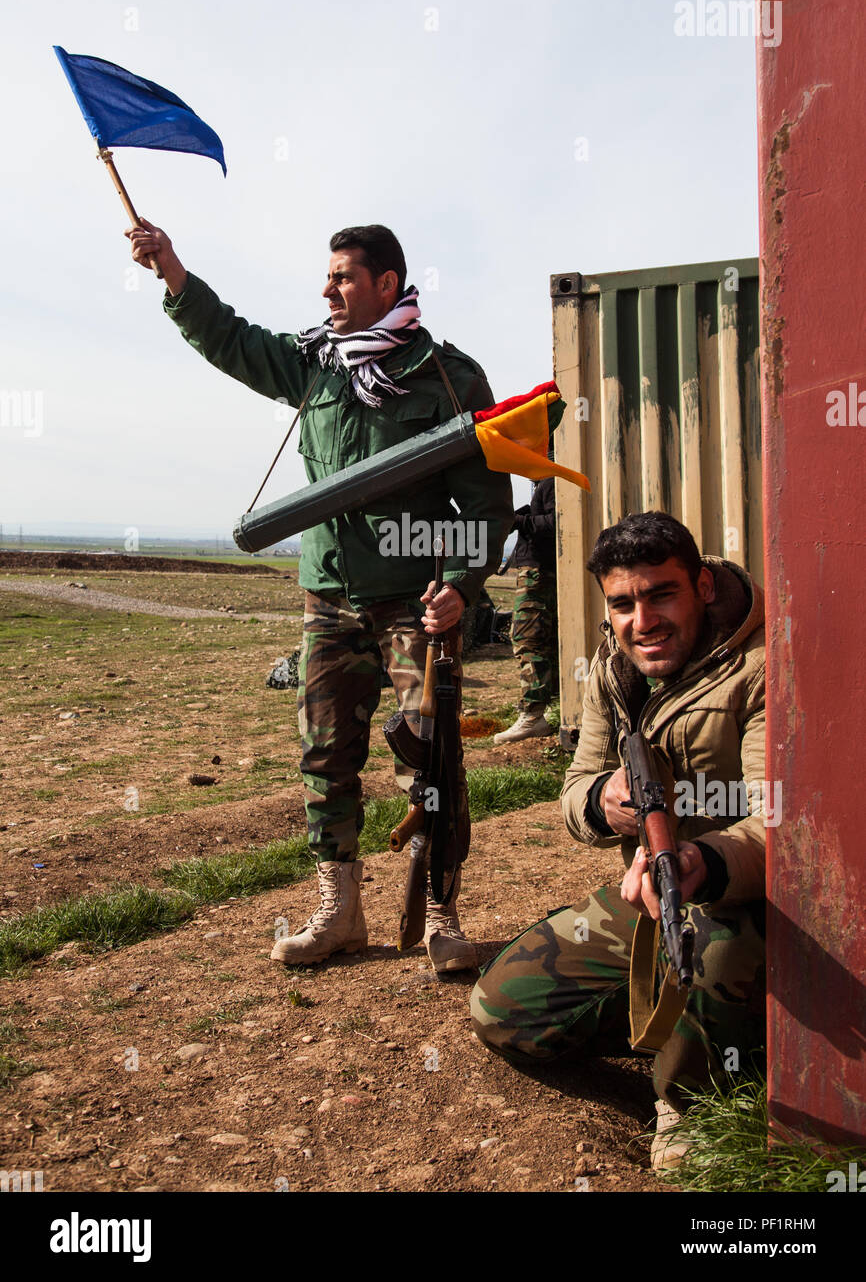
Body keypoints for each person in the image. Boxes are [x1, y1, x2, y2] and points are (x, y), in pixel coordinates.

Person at [126, 220, 513, 972]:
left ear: (386, 285)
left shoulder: (448, 378)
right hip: (328, 598)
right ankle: (340, 910)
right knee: (324, 755)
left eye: (341, 277)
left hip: (413, 604)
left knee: (430, 762)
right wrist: (171, 267)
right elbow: (231, 339)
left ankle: (440, 913)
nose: (326, 289)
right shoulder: (316, 366)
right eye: (328, 277)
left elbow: (491, 512)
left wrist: (461, 589)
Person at [470, 511, 767, 1165]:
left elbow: (783, 824)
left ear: (705, 587)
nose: (644, 621)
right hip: (648, 898)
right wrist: (604, 804)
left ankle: (692, 1101)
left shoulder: (761, 669)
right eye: (624, 603)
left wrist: (703, 860)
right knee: (503, 1010)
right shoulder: (615, 666)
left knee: (717, 948)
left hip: (747, 904)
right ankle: (690, 1028)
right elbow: (574, 791)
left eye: (663, 593)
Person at [493, 476, 557, 744]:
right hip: (538, 572)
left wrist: (519, 522)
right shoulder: (545, 483)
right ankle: (547, 707)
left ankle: (533, 715)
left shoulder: (552, 481)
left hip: (538, 575)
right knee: (542, 641)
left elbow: (555, 523)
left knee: (528, 640)